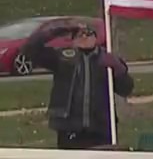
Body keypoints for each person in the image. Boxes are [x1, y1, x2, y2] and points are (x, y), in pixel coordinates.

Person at [21, 20, 133, 150]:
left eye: (89, 34)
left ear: (96, 38)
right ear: (73, 39)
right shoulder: (61, 58)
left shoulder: (107, 60)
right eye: (80, 34)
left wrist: (119, 70)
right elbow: (29, 49)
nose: (85, 37)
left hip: (100, 129)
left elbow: (126, 89)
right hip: (69, 129)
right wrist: (58, 31)